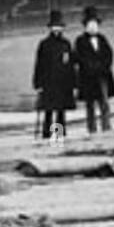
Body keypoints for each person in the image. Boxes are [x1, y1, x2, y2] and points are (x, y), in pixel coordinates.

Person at [32, 9, 75, 141]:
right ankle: (46, 136)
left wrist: (73, 82)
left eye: (59, 26)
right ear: (50, 28)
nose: (56, 29)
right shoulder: (44, 44)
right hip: (48, 82)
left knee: (61, 112)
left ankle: (59, 136)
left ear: (62, 28)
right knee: (48, 111)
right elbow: (39, 64)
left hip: (63, 83)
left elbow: (71, 64)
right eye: (54, 27)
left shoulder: (66, 44)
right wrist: (37, 83)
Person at [74, 5, 114, 133]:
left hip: (101, 76)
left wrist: (102, 67)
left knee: (104, 102)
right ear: (85, 26)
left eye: (95, 24)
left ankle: (106, 128)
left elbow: (109, 55)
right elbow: (79, 58)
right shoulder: (80, 41)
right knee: (90, 106)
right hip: (87, 77)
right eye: (90, 24)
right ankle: (91, 129)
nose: (92, 27)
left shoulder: (102, 39)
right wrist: (90, 68)